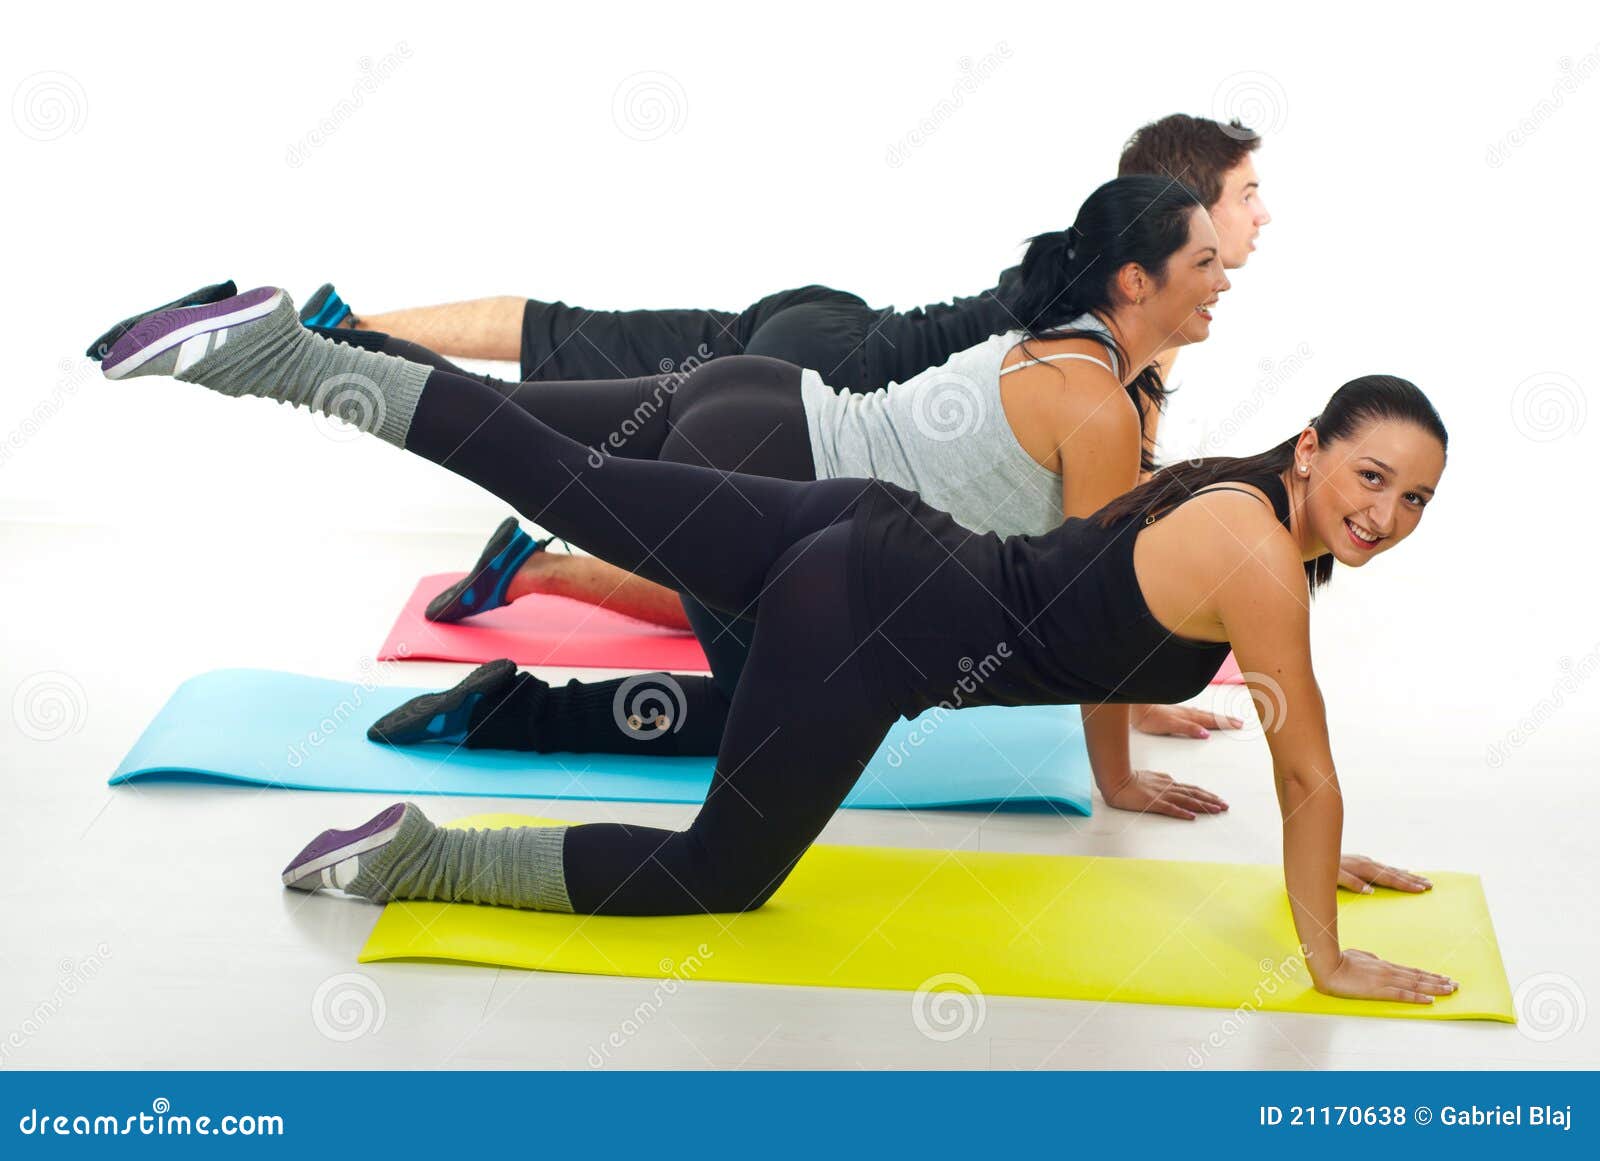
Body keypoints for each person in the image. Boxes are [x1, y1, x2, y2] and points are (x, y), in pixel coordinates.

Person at [96, 282, 1454, 1006]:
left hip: (860, 528)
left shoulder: (1218, 491)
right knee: (715, 876)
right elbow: (1306, 768)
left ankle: (276, 352)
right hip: (868, 621)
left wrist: (1117, 783)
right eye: (1371, 475)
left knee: (577, 483)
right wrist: (1324, 950)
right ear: (1316, 446)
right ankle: (419, 856)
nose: (1382, 516)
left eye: (1412, 500)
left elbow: (1092, 603)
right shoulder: (1267, 559)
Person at [358, 176, 1231, 783]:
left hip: (755, 394)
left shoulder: (1053, 337)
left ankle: (316, 341)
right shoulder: (1099, 407)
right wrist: (1116, 776)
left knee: (501, 413)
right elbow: (1086, 605)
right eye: (1204, 263)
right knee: (756, 716)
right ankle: (500, 716)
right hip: (760, 468)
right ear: (1134, 278)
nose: (1223, 281)